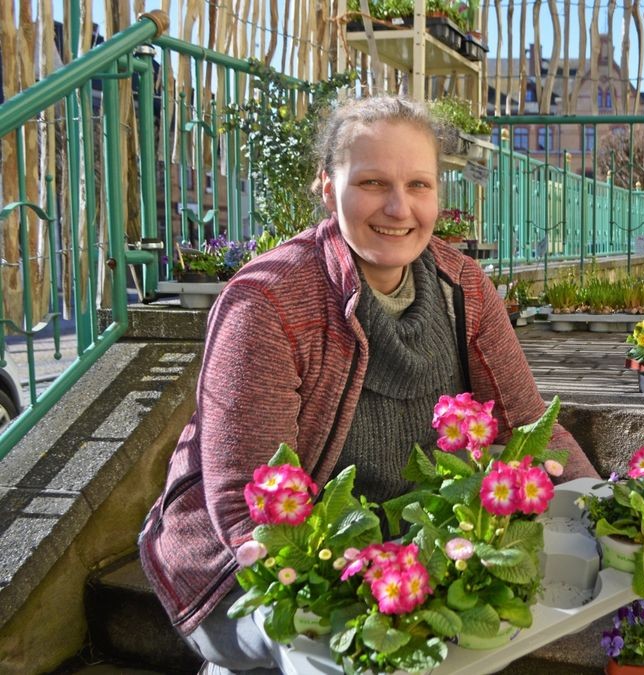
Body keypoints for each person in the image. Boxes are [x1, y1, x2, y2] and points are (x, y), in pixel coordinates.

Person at [138, 94, 600, 673]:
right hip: (250, 570)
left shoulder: (464, 287)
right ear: (328, 188)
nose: (399, 208)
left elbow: (529, 423)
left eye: (420, 185)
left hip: (407, 553)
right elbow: (246, 508)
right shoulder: (267, 302)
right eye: (373, 182)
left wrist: (602, 514)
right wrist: (353, 595)